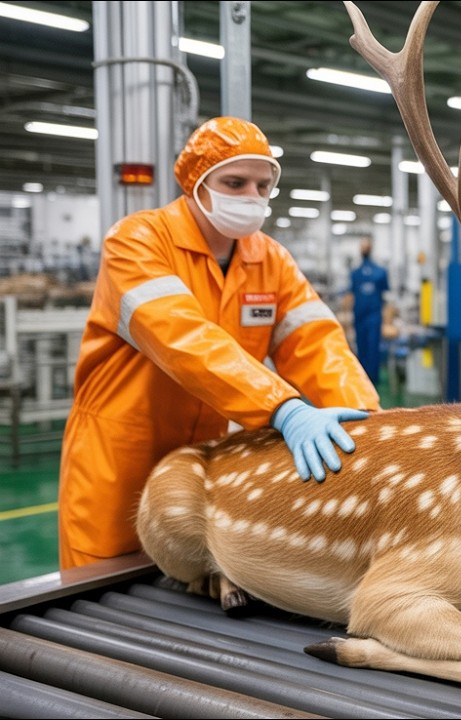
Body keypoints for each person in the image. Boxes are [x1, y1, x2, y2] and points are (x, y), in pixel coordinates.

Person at [58, 116, 381, 570]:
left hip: (204, 471)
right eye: (235, 182)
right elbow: (182, 338)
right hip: (120, 459)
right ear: (197, 183)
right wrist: (284, 408)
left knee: (188, 589)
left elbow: (318, 343)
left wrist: (371, 427)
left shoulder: (270, 259)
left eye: (263, 186)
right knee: (101, 587)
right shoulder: (137, 241)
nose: (251, 197)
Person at [348, 238, 389, 386]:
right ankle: (363, 378)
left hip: (373, 315)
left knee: (373, 346)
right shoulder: (355, 273)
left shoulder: (380, 272)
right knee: (361, 346)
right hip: (360, 315)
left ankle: (373, 379)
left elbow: (385, 295)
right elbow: (351, 294)